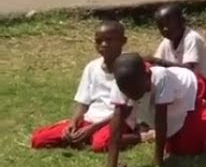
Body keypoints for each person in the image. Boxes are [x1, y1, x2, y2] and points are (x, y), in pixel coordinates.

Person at [104, 53, 206, 167]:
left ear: (147, 75)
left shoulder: (161, 78)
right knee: (174, 145)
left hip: (188, 92)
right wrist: (112, 164)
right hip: (167, 106)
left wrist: (159, 161)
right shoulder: (122, 82)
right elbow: (117, 121)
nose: (131, 94)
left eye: (135, 89)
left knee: (188, 149)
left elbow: (161, 119)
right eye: (126, 91)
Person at [30, 20, 133, 152]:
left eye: (109, 40)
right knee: (39, 139)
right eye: (99, 41)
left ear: (123, 41)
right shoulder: (92, 67)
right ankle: (84, 136)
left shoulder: (130, 68)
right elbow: (82, 102)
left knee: (100, 144)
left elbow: (126, 110)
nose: (103, 45)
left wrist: (93, 128)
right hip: (89, 120)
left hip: (115, 121)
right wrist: (73, 123)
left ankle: (140, 136)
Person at [147, 3, 206, 90]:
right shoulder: (167, 41)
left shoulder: (192, 38)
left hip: (202, 86)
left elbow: (188, 70)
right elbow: (156, 65)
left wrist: (158, 61)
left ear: (182, 21)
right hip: (183, 85)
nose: (165, 29)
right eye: (161, 26)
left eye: (169, 24)